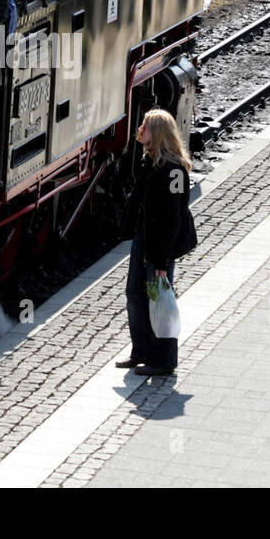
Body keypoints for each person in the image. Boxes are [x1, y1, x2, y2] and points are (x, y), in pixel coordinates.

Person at [116, 108, 196, 377]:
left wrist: (161, 260)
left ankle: (163, 360)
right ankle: (141, 351)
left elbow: (173, 219)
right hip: (143, 241)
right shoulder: (150, 163)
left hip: (158, 249)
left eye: (145, 126)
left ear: (157, 133)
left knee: (156, 299)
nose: (140, 129)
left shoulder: (174, 171)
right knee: (134, 295)